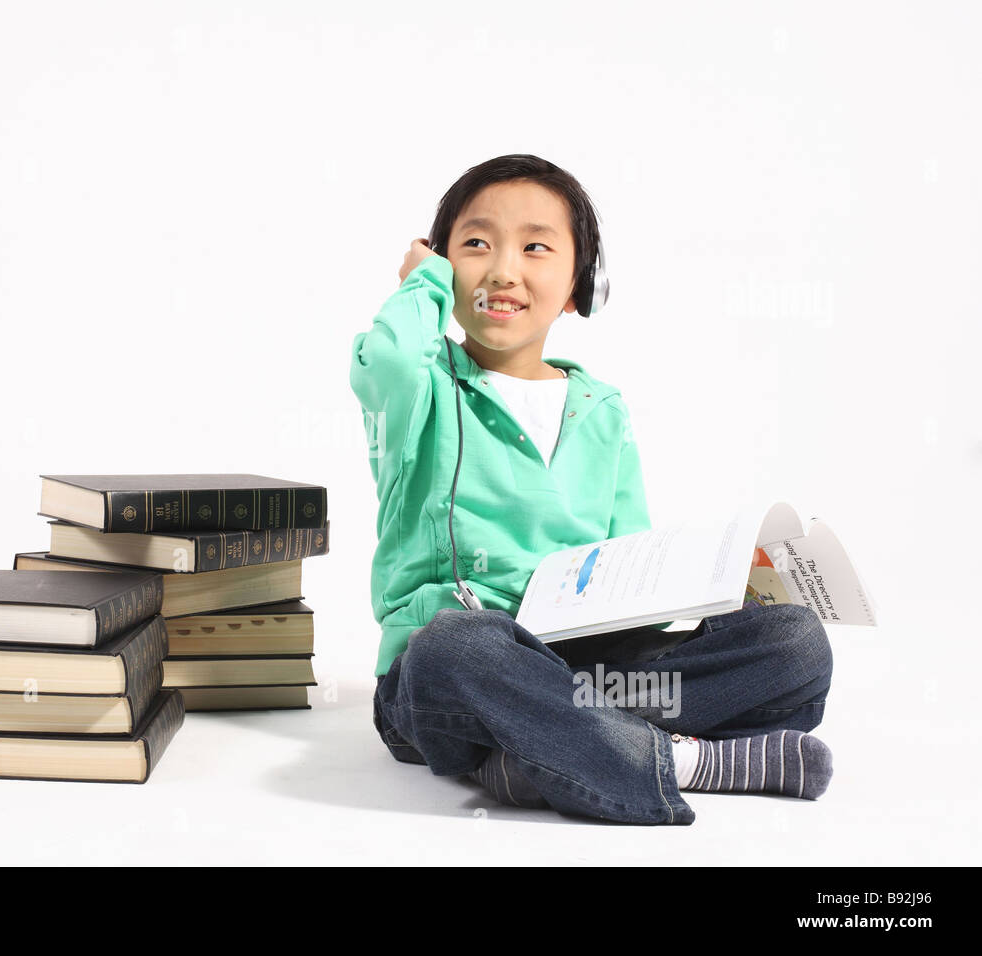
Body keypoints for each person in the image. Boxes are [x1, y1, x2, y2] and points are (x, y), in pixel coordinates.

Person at [349, 154, 833, 825]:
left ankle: (537, 753)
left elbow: (634, 585)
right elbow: (392, 356)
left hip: (586, 672)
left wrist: (718, 587)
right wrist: (421, 283)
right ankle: (681, 761)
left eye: (536, 248)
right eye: (475, 244)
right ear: (440, 264)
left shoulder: (602, 410)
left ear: (581, 286)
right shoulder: (422, 389)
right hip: (452, 679)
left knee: (795, 642)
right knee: (457, 646)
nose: (502, 269)